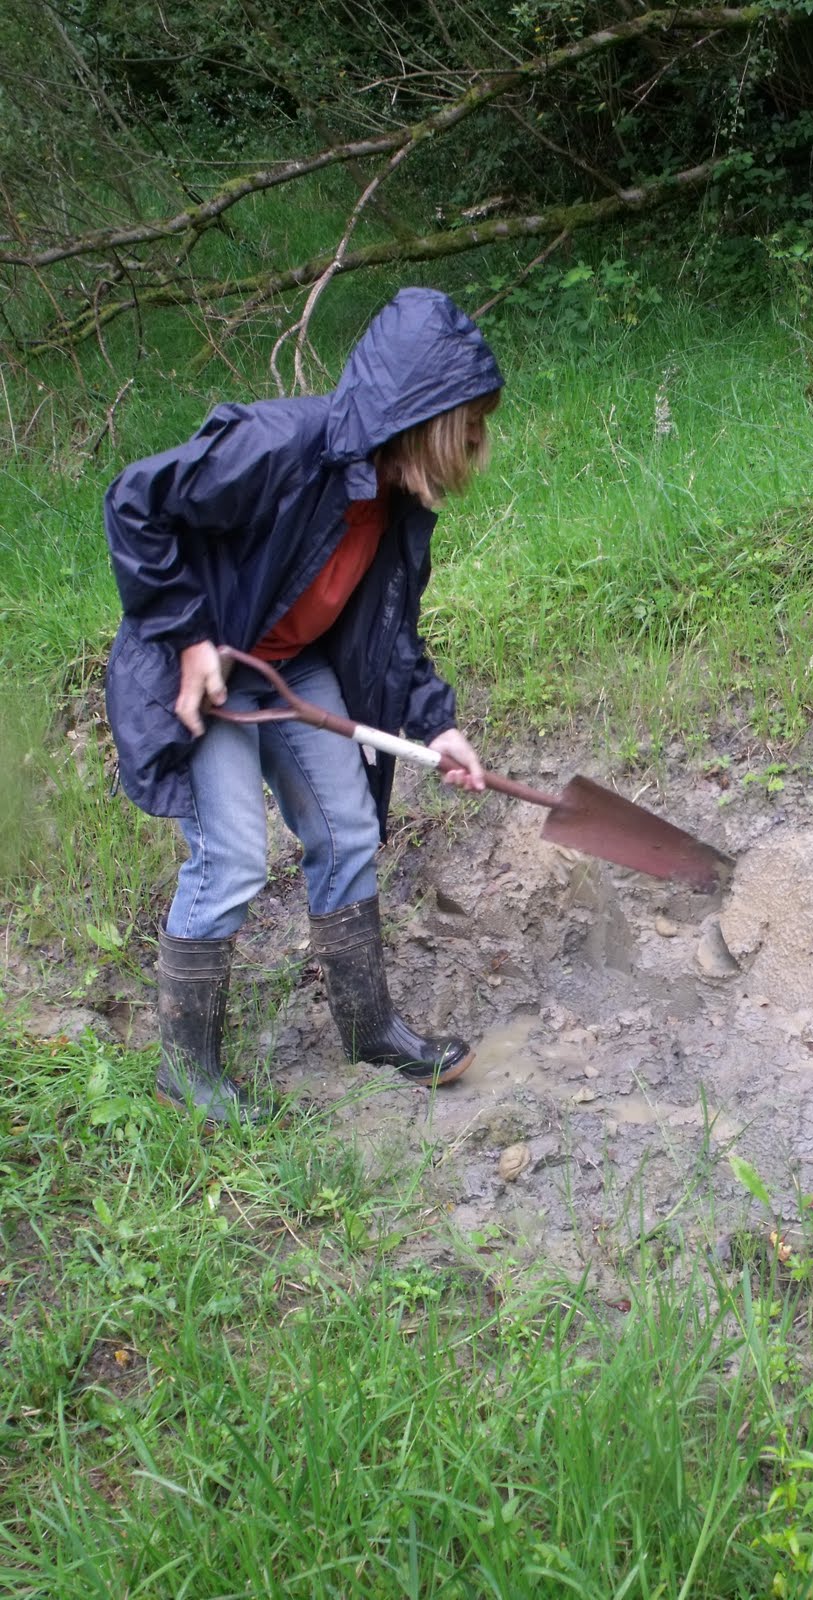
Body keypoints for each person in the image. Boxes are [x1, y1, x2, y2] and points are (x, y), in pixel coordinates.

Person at [104, 287, 504, 1125]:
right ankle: (187, 1071)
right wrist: (189, 638)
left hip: (288, 666)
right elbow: (135, 504)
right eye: (471, 419)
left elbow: (391, 637)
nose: (479, 439)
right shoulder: (280, 446)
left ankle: (369, 1032)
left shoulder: (393, 507)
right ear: (425, 411)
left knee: (350, 829)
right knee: (234, 862)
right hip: (206, 666)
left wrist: (440, 726)